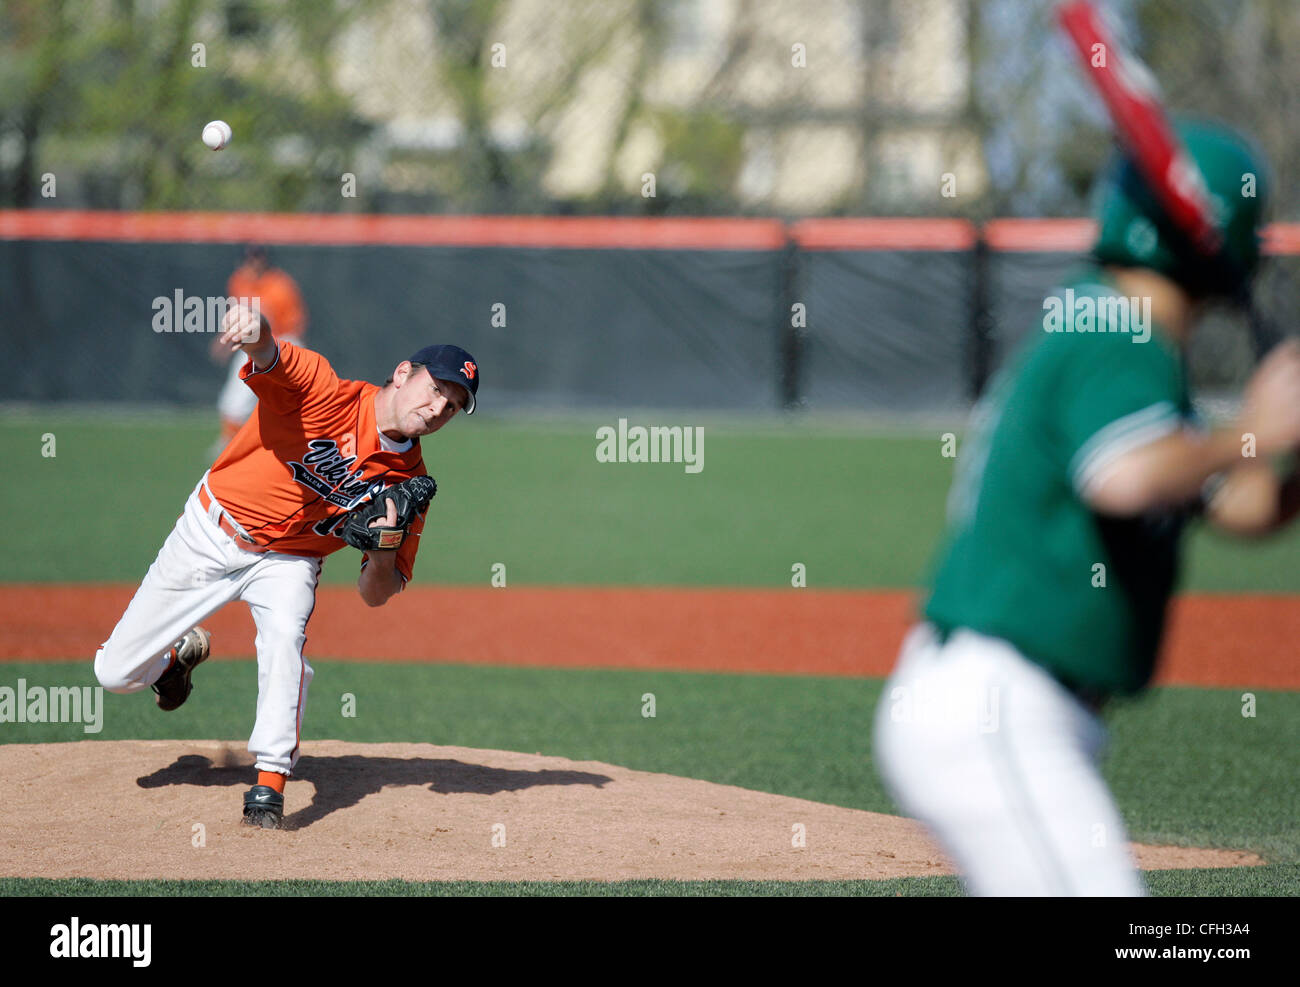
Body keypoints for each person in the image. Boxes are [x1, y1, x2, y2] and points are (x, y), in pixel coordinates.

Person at [872, 119, 1300, 895]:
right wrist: (1250, 431)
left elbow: (1240, 503)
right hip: (997, 705)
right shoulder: (1119, 332)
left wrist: (1278, 451)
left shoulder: (1111, 330)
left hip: (1006, 707)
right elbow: (1127, 478)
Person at [95, 303, 480, 829]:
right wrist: (256, 334)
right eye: (436, 388)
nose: (440, 408)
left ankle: (269, 785)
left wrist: (386, 546)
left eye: (454, 405)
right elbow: (273, 356)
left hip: (291, 560)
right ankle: (172, 665)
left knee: (284, 644)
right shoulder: (326, 391)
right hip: (213, 527)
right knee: (114, 673)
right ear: (402, 374)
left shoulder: (407, 487)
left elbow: (375, 593)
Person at [211, 245, 309, 453]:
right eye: (250, 260)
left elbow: (294, 324)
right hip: (252, 343)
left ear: (265, 261)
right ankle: (230, 442)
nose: (254, 264)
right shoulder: (239, 281)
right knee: (234, 399)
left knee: (296, 396)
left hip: (283, 342)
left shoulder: (280, 285)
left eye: (257, 259)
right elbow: (237, 314)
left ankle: (306, 441)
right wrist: (225, 338)